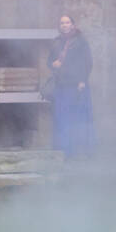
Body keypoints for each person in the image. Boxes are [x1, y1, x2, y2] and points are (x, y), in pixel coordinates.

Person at [47, 14, 94, 159]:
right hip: (61, 86)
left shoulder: (80, 41)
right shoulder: (56, 42)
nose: (65, 25)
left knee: (79, 119)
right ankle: (63, 152)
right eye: (62, 23)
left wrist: (82, 81)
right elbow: (49, 62)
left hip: (77, 86)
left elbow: (87, 62)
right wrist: (53, 64)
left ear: (72, 24)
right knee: (62, 119)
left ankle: (83, 153)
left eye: (67, 22)